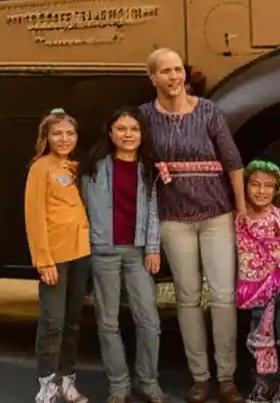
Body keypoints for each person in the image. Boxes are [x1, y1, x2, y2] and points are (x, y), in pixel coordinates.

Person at [137, 48, 248, 403]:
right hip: (173, 218)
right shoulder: (143, 118)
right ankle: (200, 378)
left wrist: (241, 209)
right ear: (152, 78)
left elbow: (233, 162)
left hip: (216, 215)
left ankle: (227, 378)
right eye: (165, 72)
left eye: (177, 70)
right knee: (186, 297)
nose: (174, 77)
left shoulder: (208, 111)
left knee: (223, 295)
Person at [78, 106, 167, 403]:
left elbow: (155, 212)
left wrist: (153, 248)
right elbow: (83, 209)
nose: (128, 135)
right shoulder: (94, 166)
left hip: (138, 252)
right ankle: (119, 385)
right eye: (121, 129)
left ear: (142, 134)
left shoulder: (148, 168)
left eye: (134, 129)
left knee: (150, 321)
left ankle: (148, 382)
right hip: (104, 251)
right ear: (111, 133)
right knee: (108, 322)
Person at [25, 108, 93, 403]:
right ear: (47, 137)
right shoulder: (41, 168)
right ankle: (47, 384)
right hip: (55, 256)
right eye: (57, 134)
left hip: (81, 253)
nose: (64, 139)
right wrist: (44, 260)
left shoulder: (73, 167)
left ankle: (68, 379)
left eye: (69, 133)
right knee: (53, 321)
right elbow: (34, 216)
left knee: (74, 320)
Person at [236, 160, 280, 403]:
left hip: (277, 284)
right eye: (255, 184)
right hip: (253, 287)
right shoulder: (240, 218)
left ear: (276, 190)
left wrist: (269, 256)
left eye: (268, 186)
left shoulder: (278, 217)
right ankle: (263, 383)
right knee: (258, 335)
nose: (261, 191)